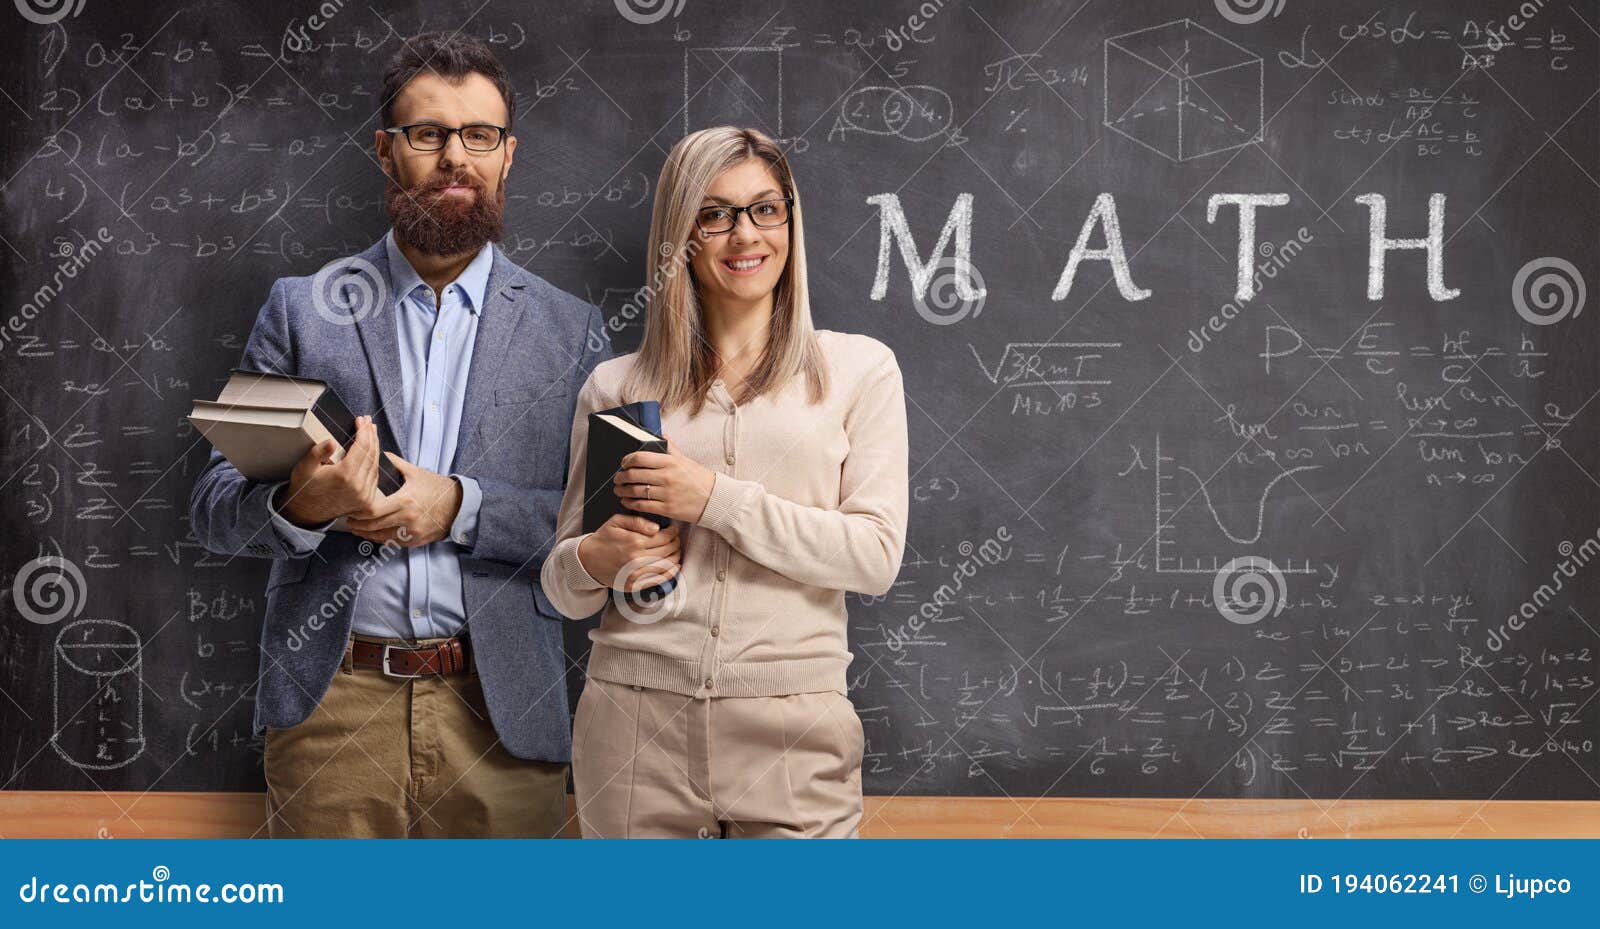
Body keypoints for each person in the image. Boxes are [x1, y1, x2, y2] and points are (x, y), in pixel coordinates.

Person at [189, 32, 611, 838]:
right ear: (387, 152)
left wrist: (459, 506)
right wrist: (301, 507)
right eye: (428, 134)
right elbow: (213, 508)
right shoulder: (302, 309)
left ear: (507, 156)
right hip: (331, 711)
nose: (456, 157)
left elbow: (594, 524)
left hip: (503, 715)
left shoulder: (573, 331)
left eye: (478, 135)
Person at [539, 126, 909, 838]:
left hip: (793, 723)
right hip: (632, 721)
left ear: (790, 223)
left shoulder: (860, 371)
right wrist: (597, 558)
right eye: (715, 214)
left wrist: (713, 499)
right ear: (681, 234)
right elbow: (564, 587)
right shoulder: (617, 385)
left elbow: (874, 557)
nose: (746, 234)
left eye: (766, 209)